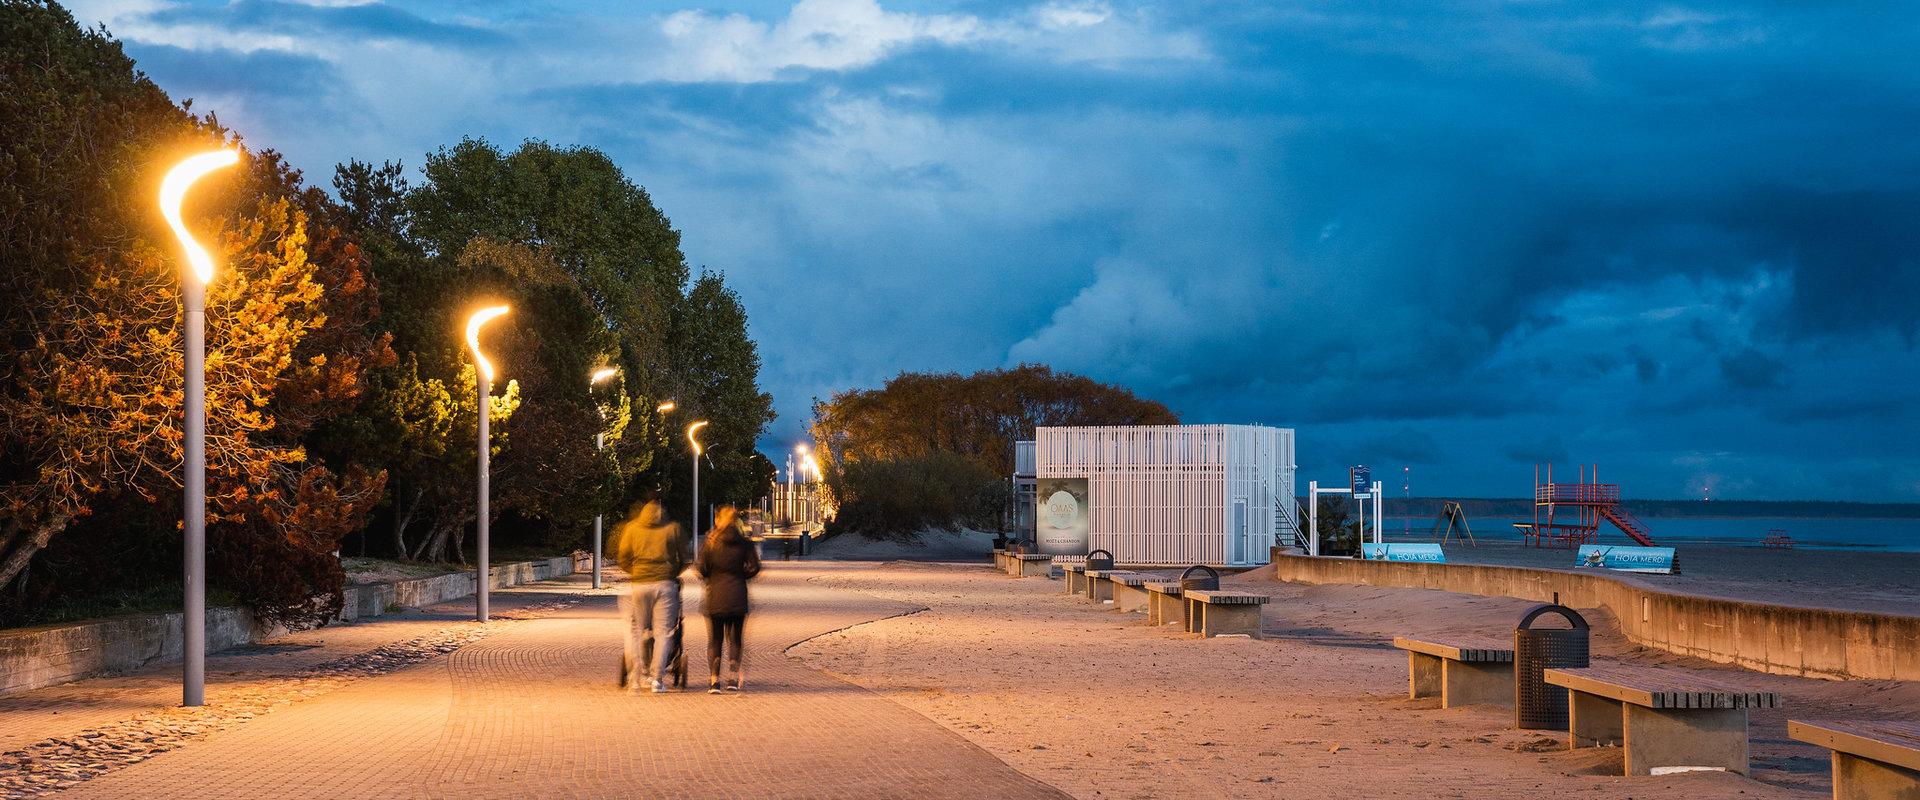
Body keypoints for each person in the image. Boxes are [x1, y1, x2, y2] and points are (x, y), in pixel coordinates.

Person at [612, 497, 690, 694]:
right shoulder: (673, 529)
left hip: (639, 585)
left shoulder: (632, 528)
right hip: (665, 585)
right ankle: (657, 679)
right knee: (663, 633)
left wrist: (636, 571)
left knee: (636, 631)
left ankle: (635, 680)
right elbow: (685, 557)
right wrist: (672, 573)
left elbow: (623, 557)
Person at [695, 506, 761, 693]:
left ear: (718, 520)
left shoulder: (710, 542)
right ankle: (732, 678)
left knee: (715, 640)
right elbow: (755, 567)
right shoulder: (745, 543)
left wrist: (711, 577)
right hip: (737, 595)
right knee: (735, 639)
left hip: (715, 596)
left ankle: (714, 680)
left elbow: (701, 568)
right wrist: (741, 576)